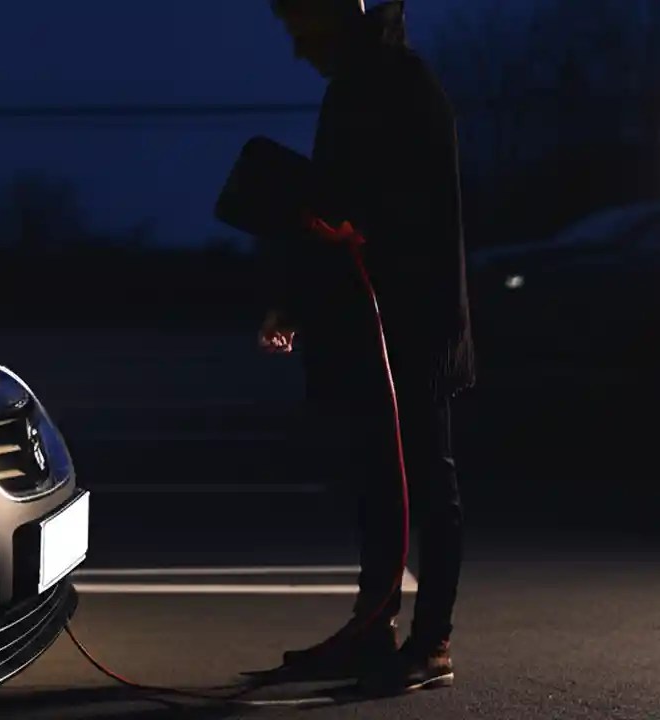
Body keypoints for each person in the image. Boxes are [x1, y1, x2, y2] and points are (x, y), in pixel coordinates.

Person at [257, 0, 476, 695]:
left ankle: (431, 641)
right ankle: (372, 629)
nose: (297, 50)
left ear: (333, 16)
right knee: (380, 481)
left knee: (427, 482)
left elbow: (414, 213)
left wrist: (358, 235)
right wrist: (296, 297)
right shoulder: (352, 90)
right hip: (369, 325)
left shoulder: (406, 86)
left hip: (414, 325)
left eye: (301, 32)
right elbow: (335, 203)